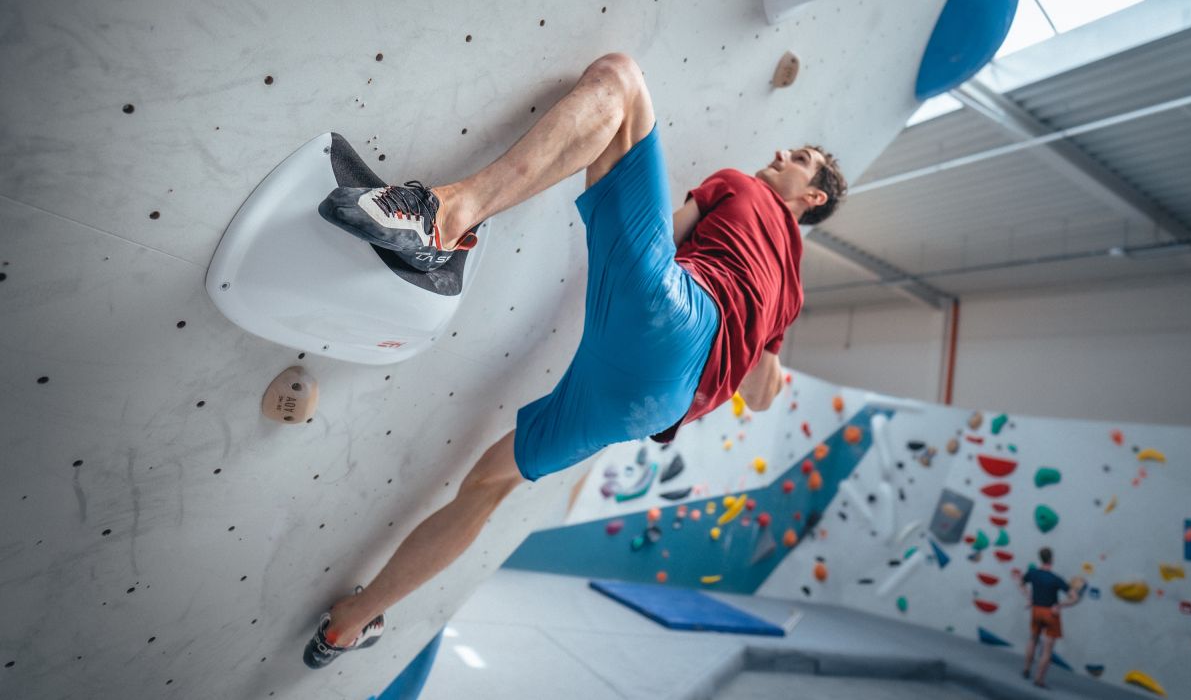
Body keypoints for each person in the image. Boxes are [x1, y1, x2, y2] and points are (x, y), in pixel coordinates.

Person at [305, 52, 848, 668]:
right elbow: (760, 394)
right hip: (653, 405)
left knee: (621, 77)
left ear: (811, 195)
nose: (781, 155)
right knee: (489, 484)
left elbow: (667, 231)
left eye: (799, 159)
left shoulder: (742, 186)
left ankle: (446, 215)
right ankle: (350, 623)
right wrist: (767, 329)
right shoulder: (792, 293)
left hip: (672, 316)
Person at [1020, 547, 1081, 689]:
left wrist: (1029, 598)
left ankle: (1026, 670)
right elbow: (1074, 598)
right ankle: (1039, 679)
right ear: (1051, 559)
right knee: (1047, 649)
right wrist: (1060, 605)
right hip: (1050, 614)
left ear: (1040, 558)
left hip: (1036, 610)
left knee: (1033, 639)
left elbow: (1021, 583)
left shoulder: (1032, 573)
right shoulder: (1056, 579)